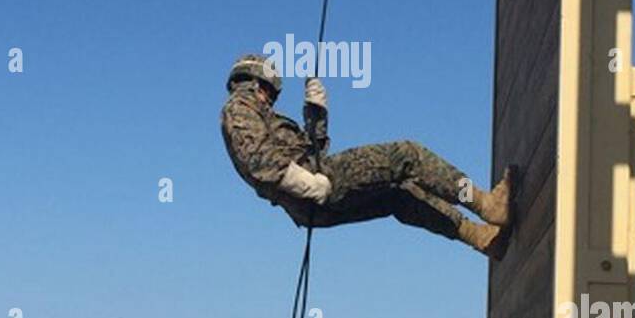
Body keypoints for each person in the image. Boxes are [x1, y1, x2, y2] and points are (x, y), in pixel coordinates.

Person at [221, 52, 518, 258]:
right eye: (269, 91)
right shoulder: (240, 107)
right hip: (312, 189)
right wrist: (308, 184)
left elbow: (315, 151)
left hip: (311, 203)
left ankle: (481, 238)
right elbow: (258, 162)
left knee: (398, 197)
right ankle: (486, 205)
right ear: (255, 82)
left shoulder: (258, 114)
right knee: (407, 155)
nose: (271, 98)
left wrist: (316, 114)